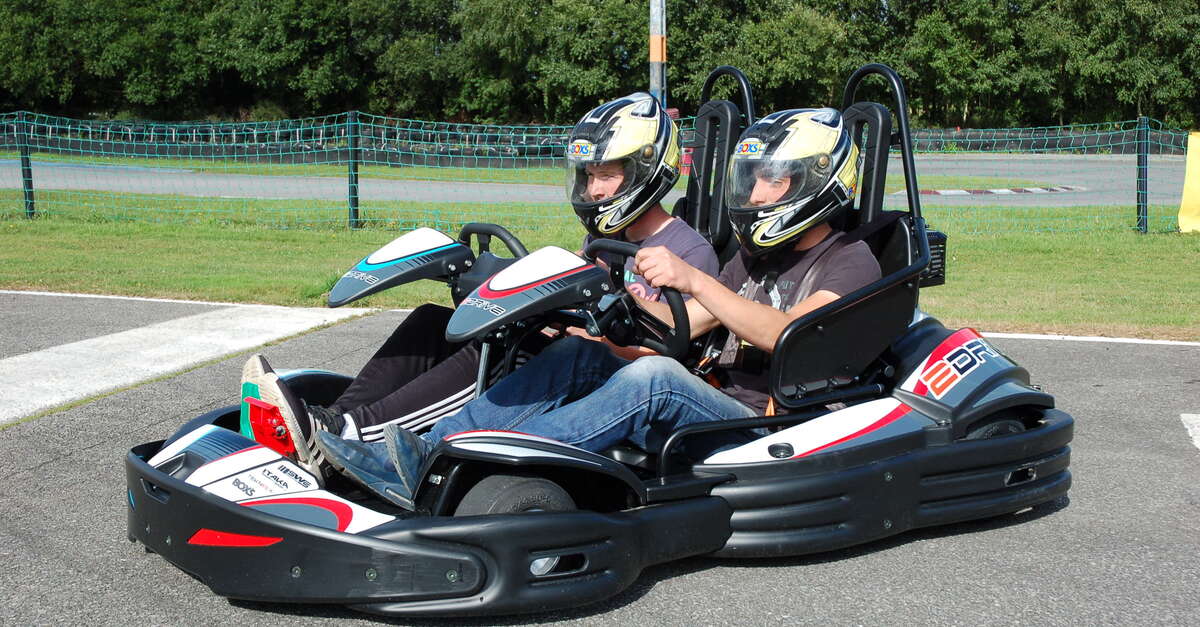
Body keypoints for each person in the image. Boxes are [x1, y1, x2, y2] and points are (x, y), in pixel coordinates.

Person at [310, 107, 885, 510]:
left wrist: (692, 280)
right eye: (754, 181)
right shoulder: (757, 261)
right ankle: (428, 455)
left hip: (770, 425)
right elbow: (688, 327)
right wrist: (610, 312)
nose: (756, 195)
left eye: (773, 184)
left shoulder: (852, 262)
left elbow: (790, 335)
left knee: (653, 377)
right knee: (577, 355)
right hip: (714, 398)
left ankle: (484, 469)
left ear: (819, 181)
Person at [243, 92, 718, 481]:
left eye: (607, 175)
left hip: (607, 379)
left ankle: (352, 434)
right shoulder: (601, 238)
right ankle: (331, 422)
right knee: (436, 320)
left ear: (647, 169)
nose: (595, 190)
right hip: (572, 353)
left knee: (516, 349)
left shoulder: (689, 252)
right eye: (590, 176)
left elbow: (674, 357)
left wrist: (584, 332)